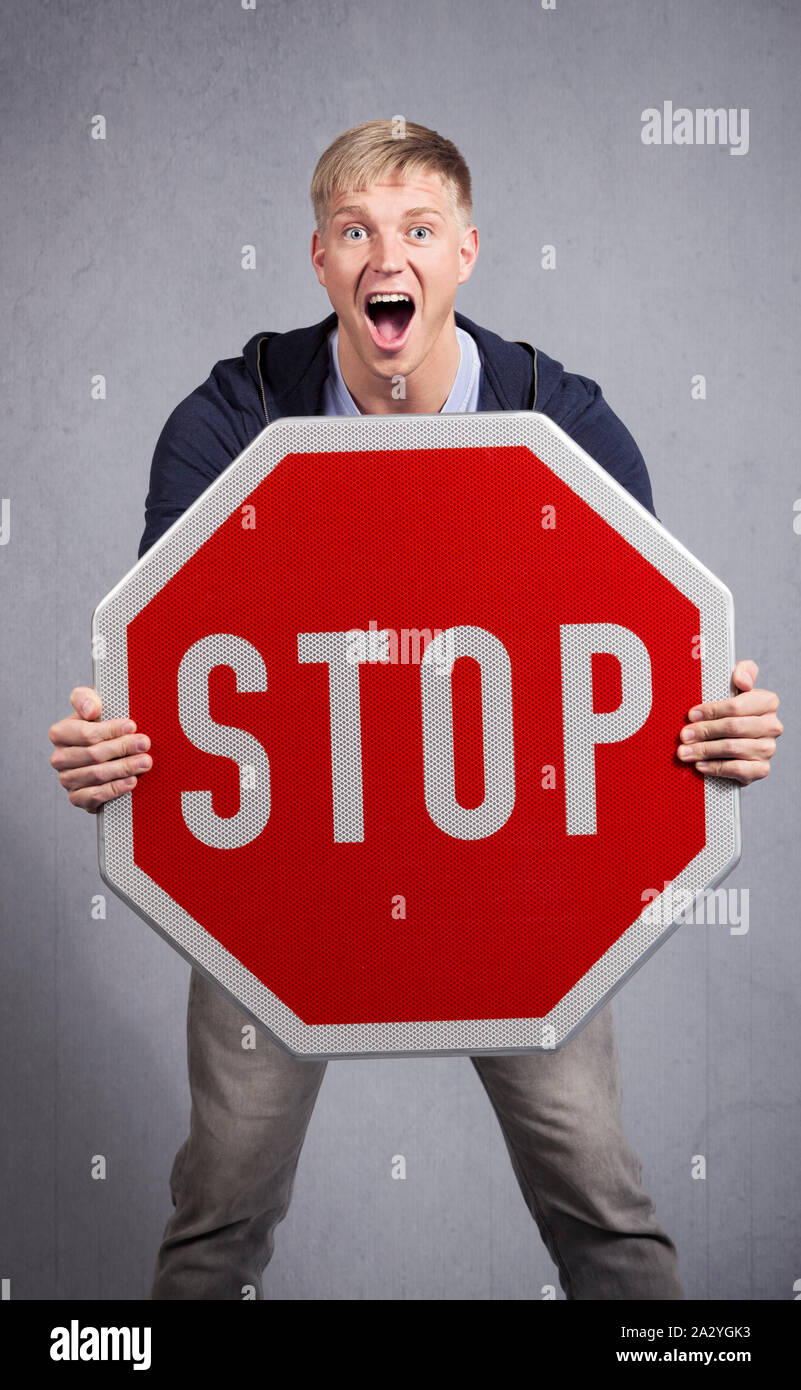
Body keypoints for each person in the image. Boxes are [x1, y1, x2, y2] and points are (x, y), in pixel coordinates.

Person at [48, 120, 782, 1300]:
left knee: (608, 1217)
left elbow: (652, 666)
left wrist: (720, 734)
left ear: (467, 253)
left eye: (418, 230)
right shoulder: (234, 416)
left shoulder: (565, 422)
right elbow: (160, 661)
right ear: (324, 263)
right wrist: (110, 748)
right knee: (214, 1223)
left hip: (515, 883)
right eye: (357, 232)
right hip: (285, 881)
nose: (388, 256)